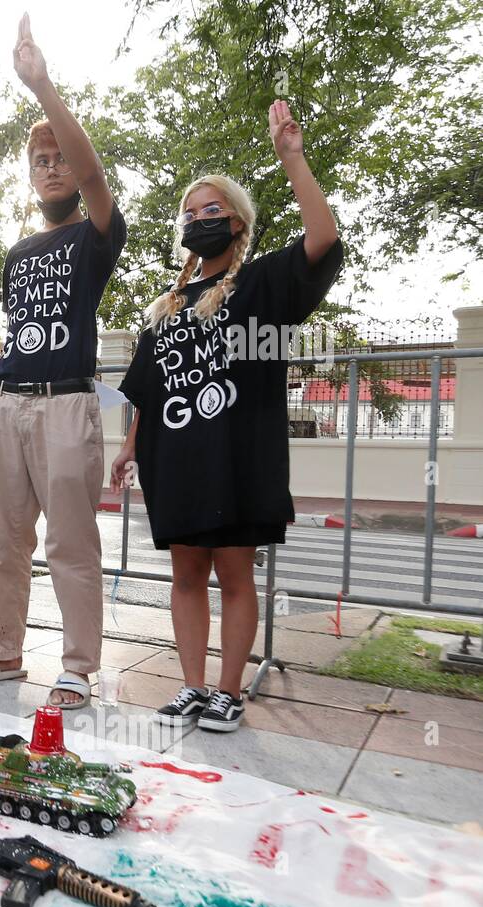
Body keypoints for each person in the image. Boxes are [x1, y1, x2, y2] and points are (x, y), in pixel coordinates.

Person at [114, 100, 342, 734]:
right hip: (176, 460)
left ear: (239, 223)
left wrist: (292, 157)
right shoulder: (165, 306)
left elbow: (322, 240)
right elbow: (148, 388)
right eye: (190, 212)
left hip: (238, 461)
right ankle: (191, 688)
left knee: (235, 574)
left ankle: (227, 692)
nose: (199, 218)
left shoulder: (263, 285)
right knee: (186, 575)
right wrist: (130, 445)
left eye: (212, 210)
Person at [0, 16, 126, 703]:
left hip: (67, 404)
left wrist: (42, 86)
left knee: (71, 545)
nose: (52, 166)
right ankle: (5, 653)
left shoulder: (96, 232)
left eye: (60, 157)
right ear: (29, 175)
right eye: (40, 159)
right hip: (10, 402)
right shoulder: (22, 252)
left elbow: (91, 172)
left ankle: (80, 668)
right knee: (6, 540)